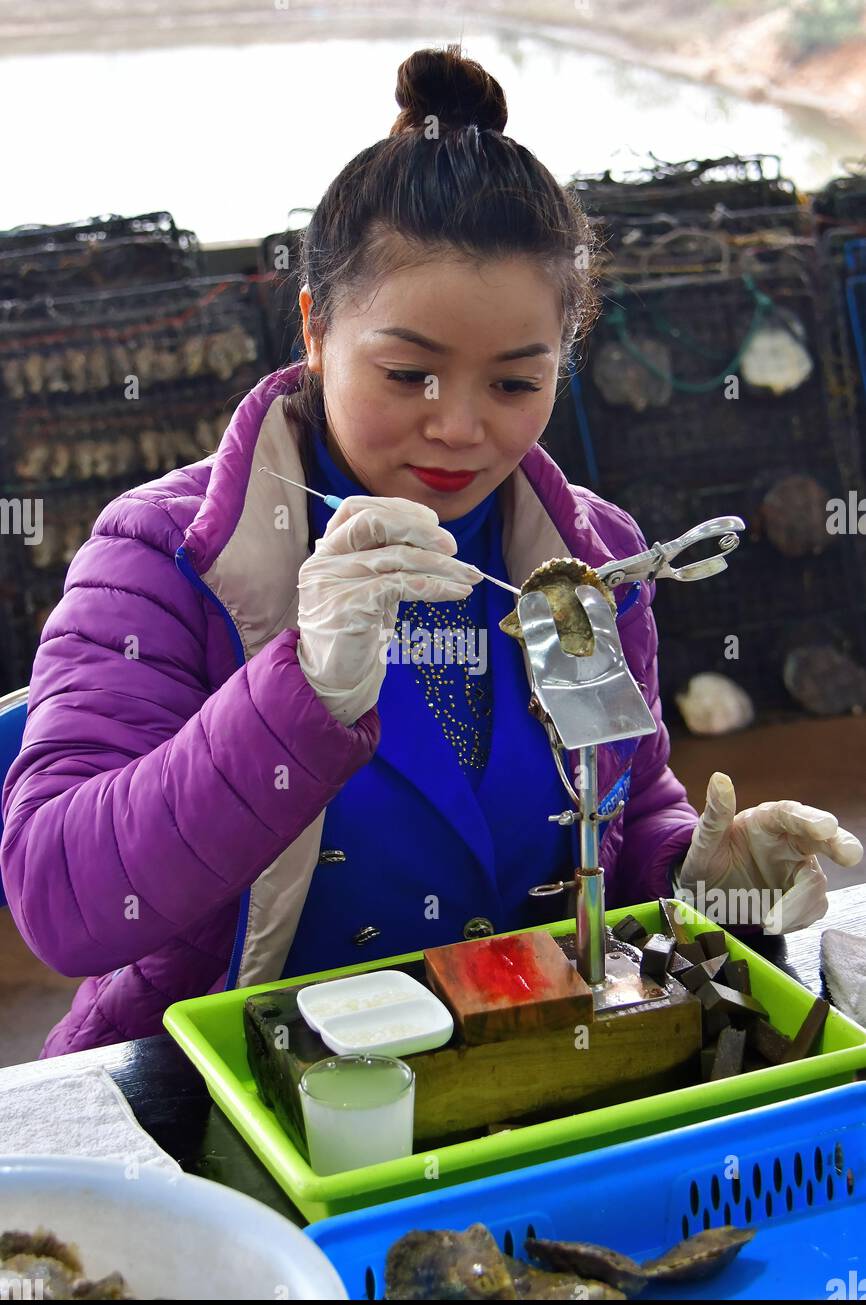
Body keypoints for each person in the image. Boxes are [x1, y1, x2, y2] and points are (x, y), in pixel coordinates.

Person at [1, 45, 860, 1059]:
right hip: (227, 1094)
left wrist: (704, 875)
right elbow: (64, 903)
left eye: (511, 383)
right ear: (316, 328)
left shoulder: (589, 562)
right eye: (408, 372)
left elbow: (617, 825)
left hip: (516, 1069)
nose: (457, 427)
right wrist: (299, 691)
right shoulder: (164, 555)